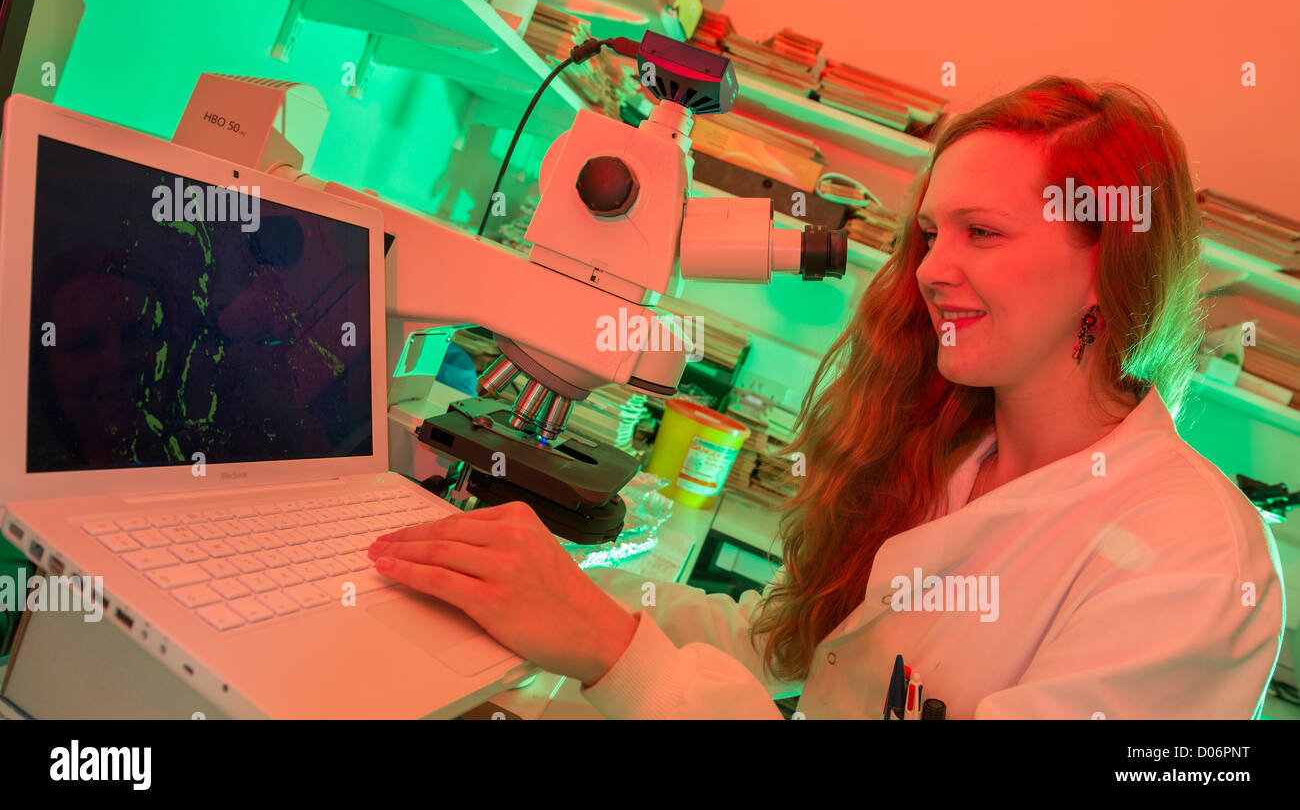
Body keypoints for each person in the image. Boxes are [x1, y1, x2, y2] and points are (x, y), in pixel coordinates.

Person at [368, 75, 1286, 718]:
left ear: (1105, 266)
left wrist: (614, 654)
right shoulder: (952, 454)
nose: (930, 270)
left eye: (982, 232)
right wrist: (575, 600)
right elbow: (787, 647)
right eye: (929, 233)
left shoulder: (1192, 560)